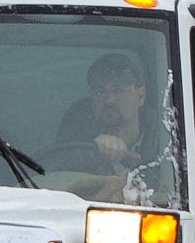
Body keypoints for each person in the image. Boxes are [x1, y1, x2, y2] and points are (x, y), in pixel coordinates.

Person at [54, 52, 167, 202]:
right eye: (100, 92)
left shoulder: (167, 142)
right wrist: (92, 151)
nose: (109, 100)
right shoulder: (76, 136)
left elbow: (171, 198)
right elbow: (57, 175)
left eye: (119, 90)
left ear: (140, 96)